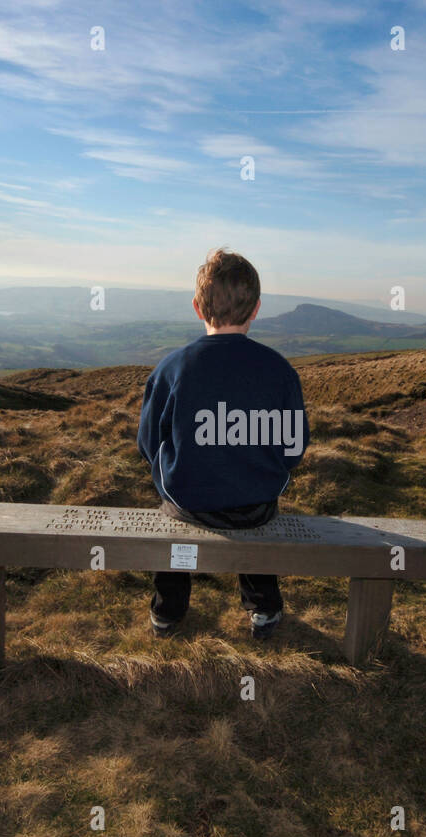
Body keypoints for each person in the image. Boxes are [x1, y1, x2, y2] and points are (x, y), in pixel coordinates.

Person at [137, 248, 310, 640]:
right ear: (257, 309)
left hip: (187, 503)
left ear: (197, 307)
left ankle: (168, 612)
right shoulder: (279, 371)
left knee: (172, 516)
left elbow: (148, 444)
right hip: (256, 505)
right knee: (257, 518)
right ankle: (264, 607)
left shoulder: (172, 368)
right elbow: (294, 449)